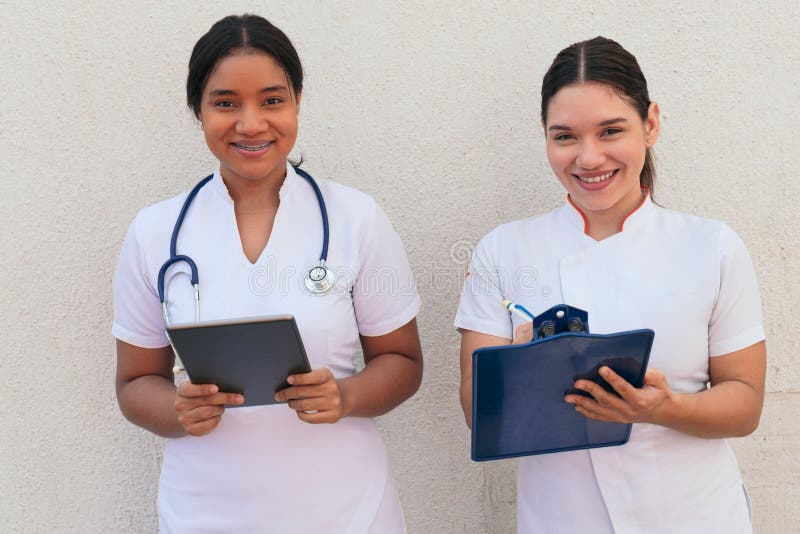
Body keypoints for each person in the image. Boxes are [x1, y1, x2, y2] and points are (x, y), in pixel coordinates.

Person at [113, 14, 422, 533]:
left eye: (272, 100)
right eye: (226, 102)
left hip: (344, 511)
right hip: (203, 513)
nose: (251, 123)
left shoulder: (355, 219)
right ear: (199, 111)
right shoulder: (154, 232)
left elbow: (402, 361)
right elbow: (134, 382)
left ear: (297, 102)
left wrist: (344, 397)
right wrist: (177, 410)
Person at [455, 36, 765, 533]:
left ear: (652, 123)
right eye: (565, 137)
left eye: (610, 131)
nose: (589, 158)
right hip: (563, 516)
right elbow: (479, 416)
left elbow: (745, 403)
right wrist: (521, 372)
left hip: (693, 514)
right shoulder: (503, 251)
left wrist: (667, 409)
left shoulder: (713, 247)